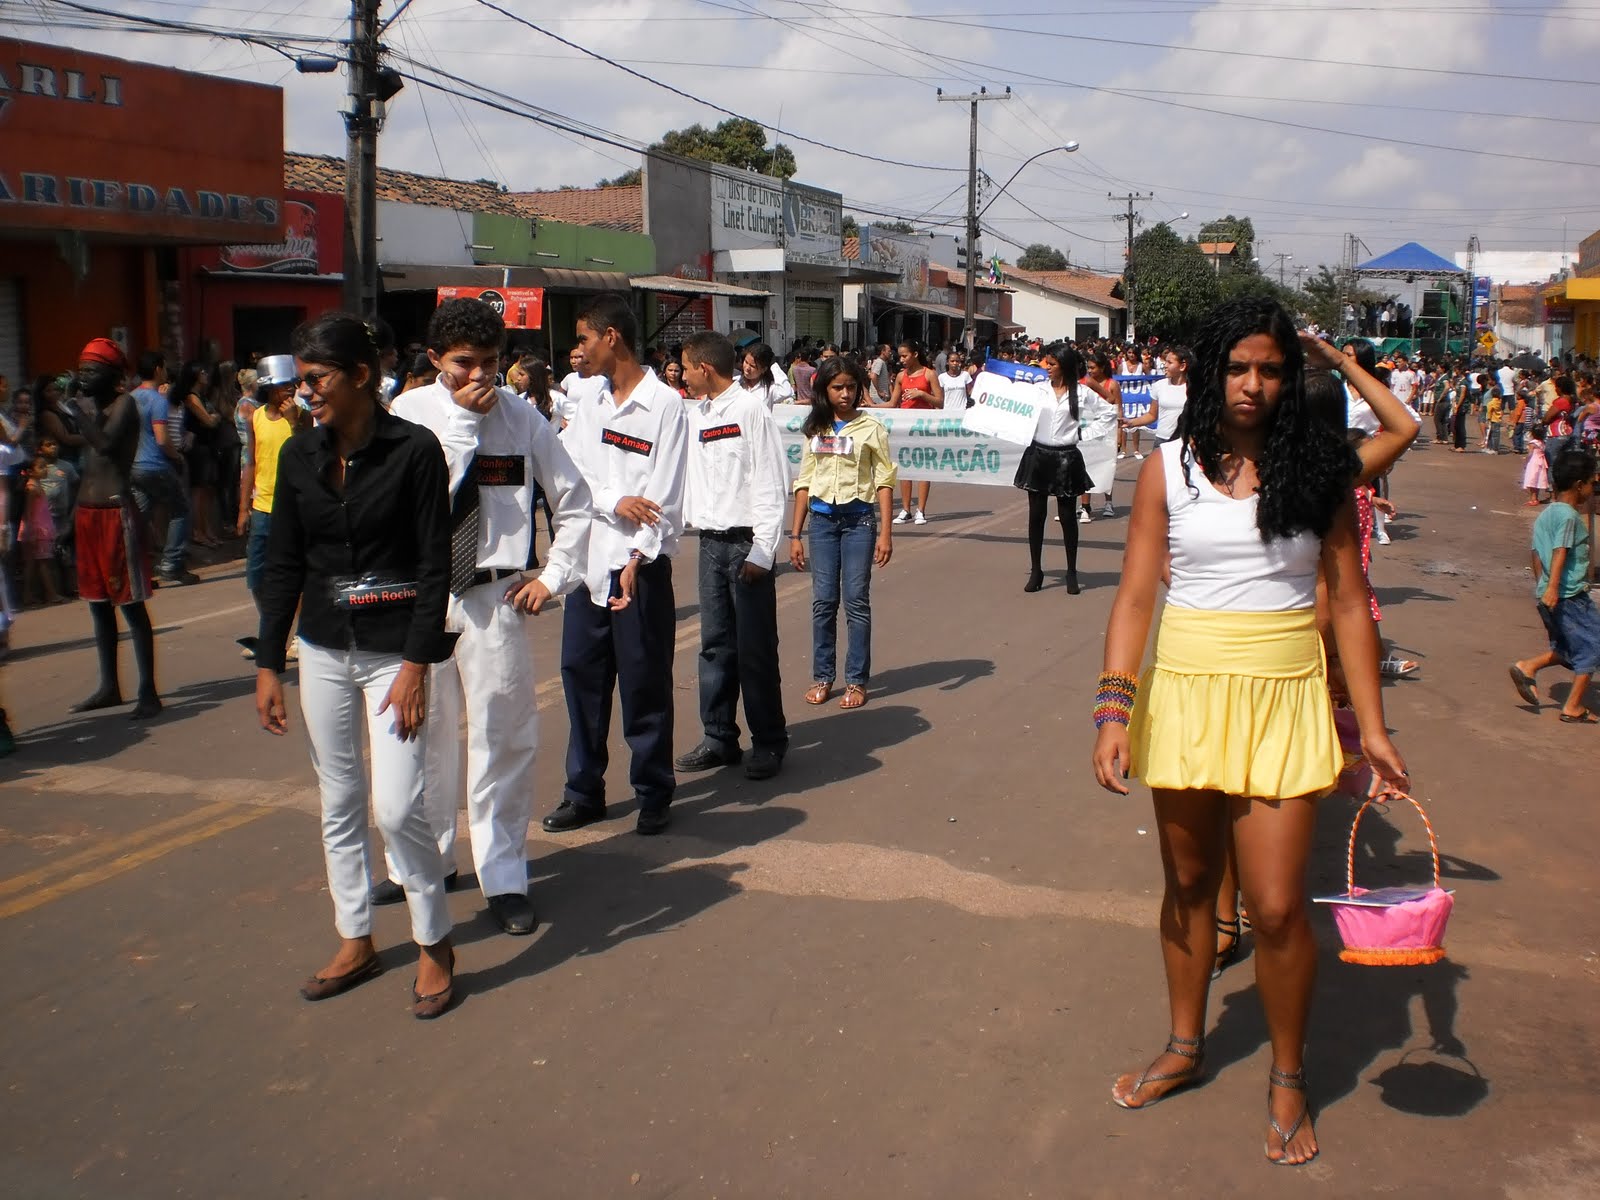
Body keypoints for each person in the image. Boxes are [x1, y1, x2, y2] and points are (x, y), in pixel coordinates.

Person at [1091, 298, 1408, 1167]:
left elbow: (1346, 603)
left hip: (1283, 695)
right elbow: (1134, 596)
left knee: (1272, 906)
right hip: (1187, 692)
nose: (1254, 384)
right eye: (1238, 368)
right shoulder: (1168, 470)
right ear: (1208, 372)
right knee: (1191, 883)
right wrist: (1114, 710)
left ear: (1285, 377)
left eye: (1270, 369)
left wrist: (1371, 731)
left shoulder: (1321, 473)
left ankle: (1290, 1074)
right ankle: (1187, 1047)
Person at [253, 311, 458, 1018]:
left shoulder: (415, 451)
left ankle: (434, 942)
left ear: (362, 377)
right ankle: (356, 938)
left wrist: (415, 665)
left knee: (396, 807)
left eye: (318, 379)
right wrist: (267, 663)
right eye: (302, 380)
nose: (305, 392)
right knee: (338, 802)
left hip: (391, 655)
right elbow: (284, 562)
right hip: (322, 651)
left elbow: (436, 566)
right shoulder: (299, 456)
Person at [375, 299, 592, 934]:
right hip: (422, 595)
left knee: (502, 734)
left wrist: (552, 576)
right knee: (424, 736)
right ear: (436, 361)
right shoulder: (409, 415)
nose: (478, 378)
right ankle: (425, 861)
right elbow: (396, 504)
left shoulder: (523, 418)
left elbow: (574, 500)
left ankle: (503, 874)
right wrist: (463, 433)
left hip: (493, 596)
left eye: (490, 364)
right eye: (463, 364)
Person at [543, 293, 687, 837]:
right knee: (582, 678)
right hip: (588, 564)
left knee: (644, 683)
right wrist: (612, 500)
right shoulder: (591, 404)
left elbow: (666, 496)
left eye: (582, 338)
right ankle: (584, 791)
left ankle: (653, 791)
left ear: (612, 338)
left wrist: (637, 556)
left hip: (636, 567)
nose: (576, 351)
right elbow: (569, 475)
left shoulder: (664, 406)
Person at [675, 330, 790, 779]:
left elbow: (770, 478)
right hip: (711, 543)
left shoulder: (749, 410)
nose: (682, 376)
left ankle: (769, 741)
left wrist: (764, 549)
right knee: (714, 647)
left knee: (755, 649)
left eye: (685, 367)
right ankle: (719, 737)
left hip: (746, 543)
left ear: (704, 368)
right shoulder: (698, 414)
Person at [789, 355, 896, 710]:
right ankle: (822, 676)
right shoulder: (815, 428)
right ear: (825, 389)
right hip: (821, 525)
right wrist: (795, 535)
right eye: (838, 387)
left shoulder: (871, 428)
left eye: (851, 387)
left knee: (856, 601)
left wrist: (885, 533)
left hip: (859, 524)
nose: (846, 394)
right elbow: (804, 481)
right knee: (823, 602)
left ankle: (856, 680)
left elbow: (883, 480)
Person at [71, 338, 162, 718]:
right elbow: (90, 467)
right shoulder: (98, 411)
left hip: (114, 513)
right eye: (82, 369)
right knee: (98, 605)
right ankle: (109, 685)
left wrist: (75, 409)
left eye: (92, 370)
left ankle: (148, 691)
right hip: (87, 513)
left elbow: (106, 446)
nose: (83, 377)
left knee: (130, 604)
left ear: (113, 376)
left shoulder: (125, 404)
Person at [1509, 448, 1600, 723]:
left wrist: (1543, 587)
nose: (1593, 490)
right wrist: (1553, 588)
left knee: (1569, 646)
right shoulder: (1570, 517)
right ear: (1579, 485)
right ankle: (1572, 705)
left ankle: (1528, 666)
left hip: (1553, 594)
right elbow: (1561, 550)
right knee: (1593, 647)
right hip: (1570, 596)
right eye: (1592, 483)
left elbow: (1536, 553)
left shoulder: (1547, 515)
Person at [1015, 344, 1092, 595]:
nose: (1046, 368)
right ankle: (1036, 570)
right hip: (1039, 454)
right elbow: (1010, 405)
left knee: (1068, 517)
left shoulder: (1082, 393)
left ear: (1065, 367)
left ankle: (1072, 571)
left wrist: (1085, 435)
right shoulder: (1037, 391)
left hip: (1066, 458)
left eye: (1052, 364)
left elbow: (1106, 414)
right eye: (1045, 363)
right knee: (1036, 515)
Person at [128, 351, 197, 586]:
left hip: (134, 466)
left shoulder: (131, 397)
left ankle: (137, 570)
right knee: (181, 509)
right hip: (156, 464)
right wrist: (176, 456)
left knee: (139, 518)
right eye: (164, 367)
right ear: (158, 369)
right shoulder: (157, 400)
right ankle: (172, 563)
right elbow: (161, 438)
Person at [891, 341, 939, 525]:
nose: (902, 359)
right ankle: (905, 509)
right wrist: (870, 405)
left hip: (924, 426)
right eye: (900, 356)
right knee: (904, 467)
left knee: (923, 467)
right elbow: (892, 403)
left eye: (905, 356)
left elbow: (939, 402)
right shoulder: (901, 376)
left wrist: (922, 395)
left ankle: (921, 509)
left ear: (915, 354)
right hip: (905, 426)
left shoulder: (929, 374)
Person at [1522, 427, 1550, 505]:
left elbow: (1530, 454)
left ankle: (1533, 499)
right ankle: (1536, 498)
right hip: (1541, 461)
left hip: (1533, 462)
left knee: (1532, 481)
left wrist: (1525, 460)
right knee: (1537, 480)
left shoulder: (1533, 443)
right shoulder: (1542, 443)